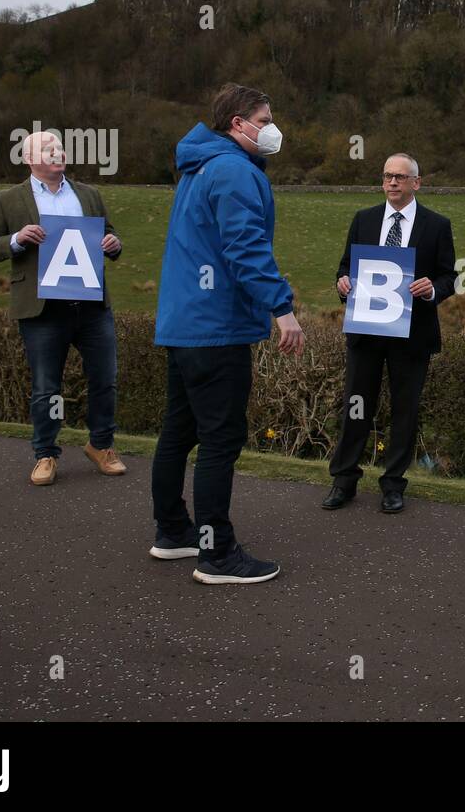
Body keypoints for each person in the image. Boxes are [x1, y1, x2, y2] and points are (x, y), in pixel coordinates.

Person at [150, 83, 305, 585]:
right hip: (216, 327)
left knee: (179, 431)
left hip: (184, 323)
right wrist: (281, 307)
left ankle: (174, 531)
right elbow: (244, 247)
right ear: (239, 123)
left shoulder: (199, 166)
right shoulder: (235, 170)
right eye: (265, 117)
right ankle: (217, 554)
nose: (272, 126)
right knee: (220, 440)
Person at [0, 130, 125, 487]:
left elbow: (112, 237)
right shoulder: (8, 200)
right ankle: (45, 454)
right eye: (48, 148)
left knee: (105, 380)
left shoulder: (89, 194)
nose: (58, 152)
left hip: (91, 306)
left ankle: (101, 446)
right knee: (47, 387)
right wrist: (16, 239)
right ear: (28, 159)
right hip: (43, 312)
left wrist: (114, 243)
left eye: (60, 147)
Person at [325, 153, 456, 513]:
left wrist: (432, 288)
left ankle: (393, 485)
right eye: (387, 176)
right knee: (356, 407)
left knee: (405, 411)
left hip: (412, 334)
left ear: (416, 182)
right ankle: (344, 480)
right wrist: (343, 283)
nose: (393, 182)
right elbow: (343, 268)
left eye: (400, 177)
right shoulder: (363, 219)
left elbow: (449, 277)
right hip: (366, 331)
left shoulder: (436, 225)